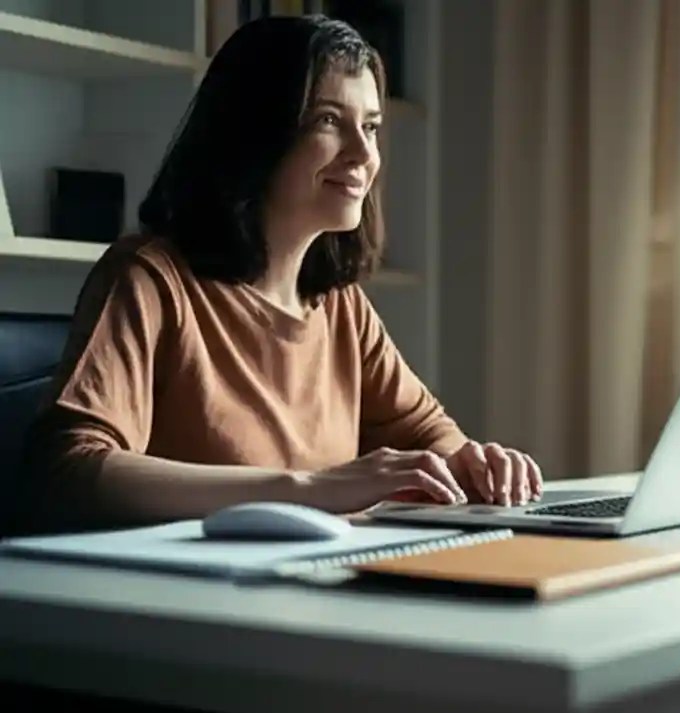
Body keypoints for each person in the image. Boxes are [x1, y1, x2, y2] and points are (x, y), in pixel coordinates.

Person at [17, 15, 542, 536]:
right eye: (328, 121)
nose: (364, 155)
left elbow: (426, 433)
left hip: (314, 585)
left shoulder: (341, 303)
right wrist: (308, 489)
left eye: (372, 127)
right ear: (254, 133)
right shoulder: (151, 278)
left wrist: (472, 464)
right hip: (190, 597)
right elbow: (69, 471)